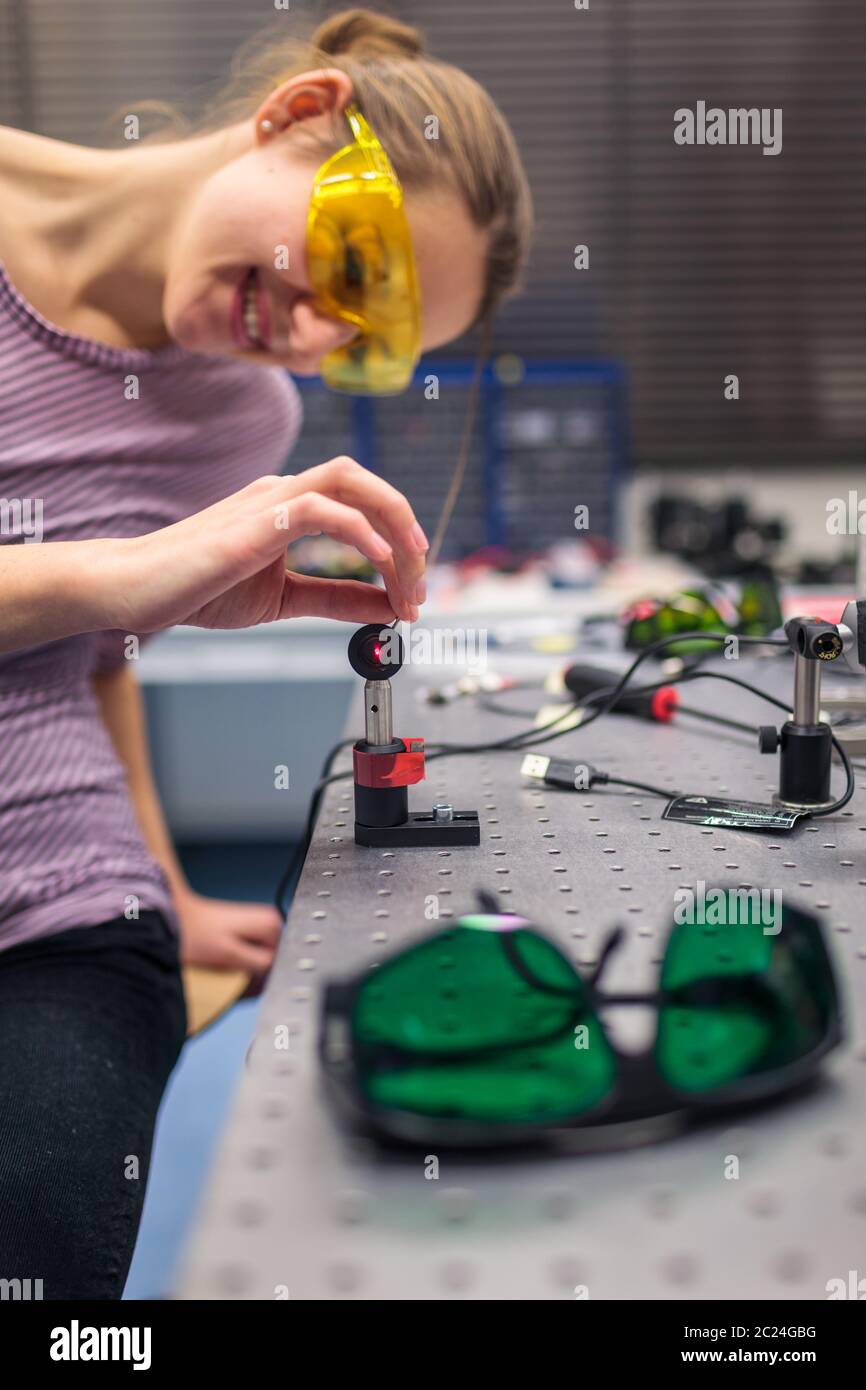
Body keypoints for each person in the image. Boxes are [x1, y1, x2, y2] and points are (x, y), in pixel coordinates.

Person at [0, 8, 532, 1296]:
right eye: (355, 268)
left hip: (56, 909)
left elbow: (93, 654)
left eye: (374, 338)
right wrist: (122, 576)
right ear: (300, 115)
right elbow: (102, 594)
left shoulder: (244, 411)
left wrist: (164, 889)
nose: (311, 337)